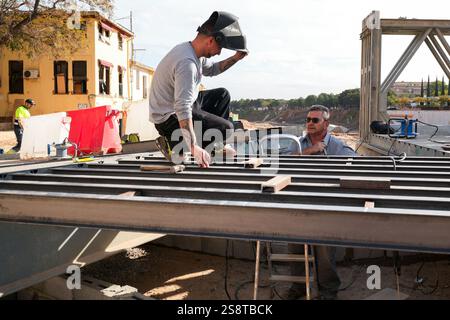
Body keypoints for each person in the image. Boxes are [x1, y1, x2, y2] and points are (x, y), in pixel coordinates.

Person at [148, 11, 248, 167]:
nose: (219, 52)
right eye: (220, 47)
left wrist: (235, 58)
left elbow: (213, 70)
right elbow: (182, 108)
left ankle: (212, 146)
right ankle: (176, 145)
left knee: (222, 95)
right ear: (210, 40)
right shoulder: (187, 64)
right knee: (227, 128)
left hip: (179, 104)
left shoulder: (193, 51)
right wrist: (194, 148)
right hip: (168, 117)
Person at [287, 105, 357, 300]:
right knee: (295, 248)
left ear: (326, 123)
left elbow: (357, 166)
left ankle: (328, 292)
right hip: (298, 203)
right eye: (308, 119)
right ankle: (299, 286)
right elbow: (281, 162)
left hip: (325, 205)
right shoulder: (298, 143)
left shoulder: (337, 147)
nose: (310, 123)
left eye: (315, 120)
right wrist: (310, 151)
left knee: (325, 252)